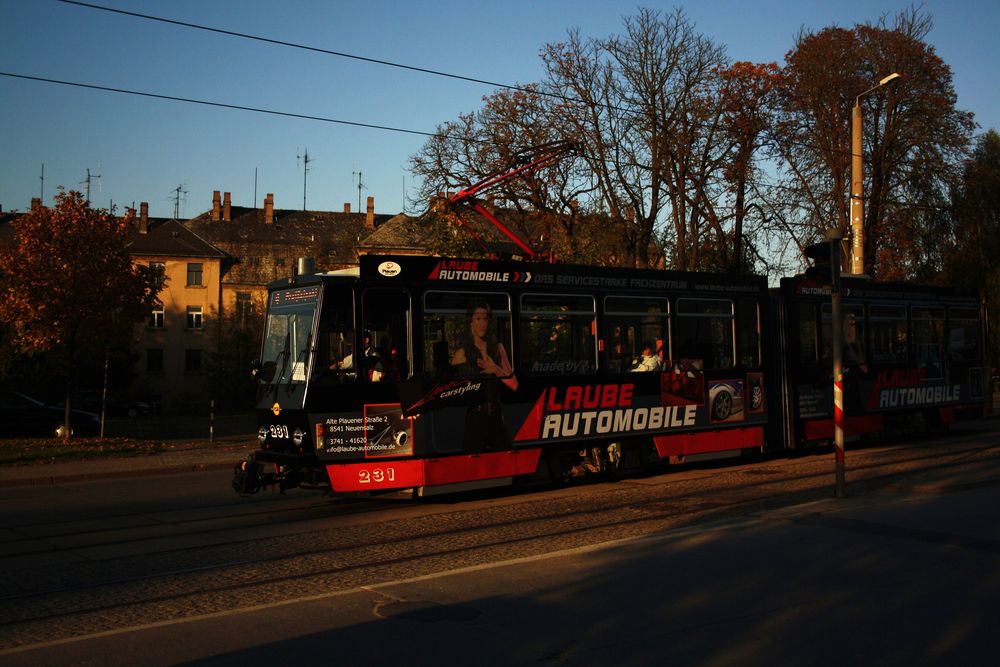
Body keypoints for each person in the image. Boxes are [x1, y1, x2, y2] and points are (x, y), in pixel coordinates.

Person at [451, 301, 518, 451]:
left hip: (496, 416)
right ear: (471, 322)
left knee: (507, 457)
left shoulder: (497, 348)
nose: (482, 324)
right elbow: (453, 391)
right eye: (478, 319)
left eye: (485, 319)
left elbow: (513, 384)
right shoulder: (462, 354)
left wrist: (495, 369)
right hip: (475, 417)